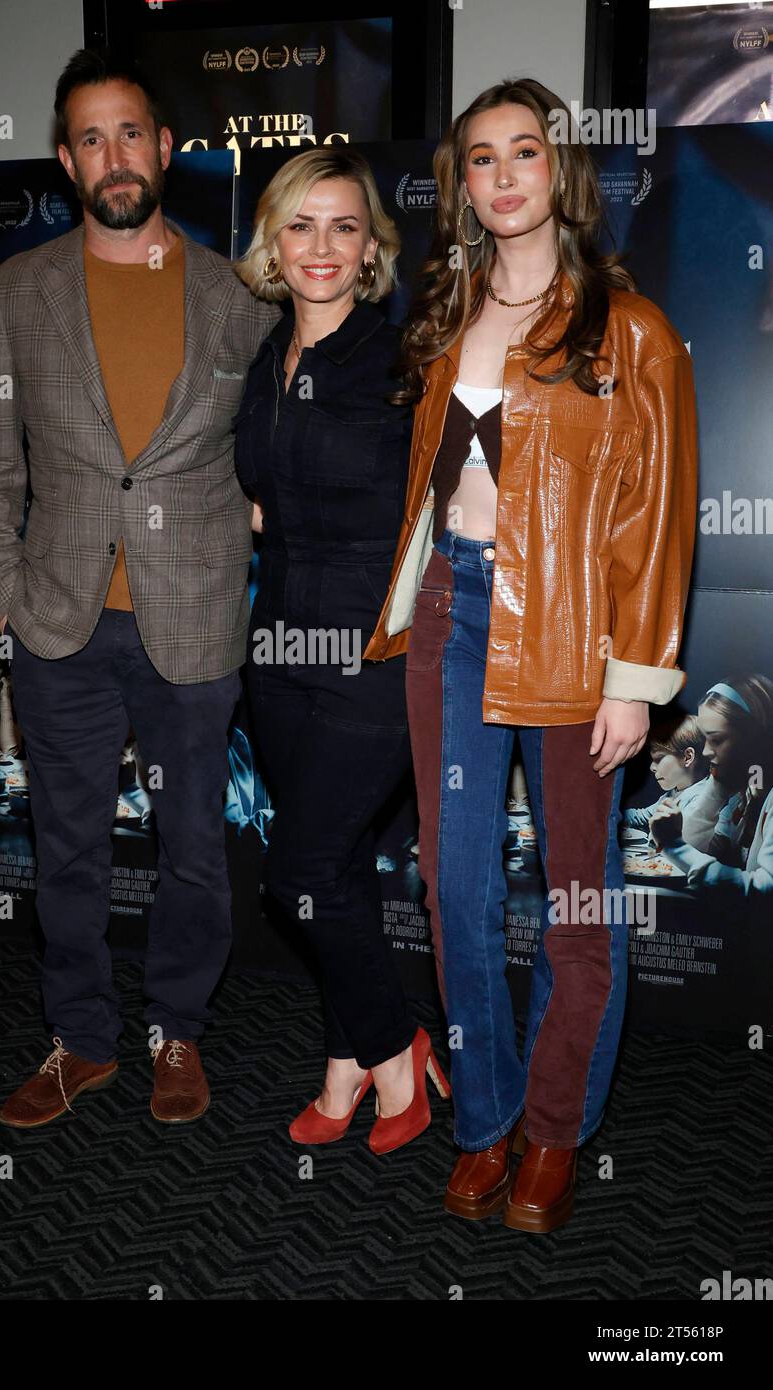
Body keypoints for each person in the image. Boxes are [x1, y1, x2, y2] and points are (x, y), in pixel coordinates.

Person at [365, 78, 698, 1230]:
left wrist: (635, 680)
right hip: (452, 618)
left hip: (569, 631)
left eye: (521, 152)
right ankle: (483, 1120)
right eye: (477, 158)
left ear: (557, 171)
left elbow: (655, 514)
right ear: (459, 185)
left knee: (571, 903)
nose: (500, 175)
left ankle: (553, 1132)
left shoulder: (629, 329)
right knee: (452, 893)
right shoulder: (446, 310)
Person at [0, 47, 281, 1129]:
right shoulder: (18, 290)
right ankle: (82, 1040)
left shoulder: (237, 293)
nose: (114, 154)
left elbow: (271, 442)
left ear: (166, 145)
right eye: (90, 137)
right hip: (56, 618)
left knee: (193, 847)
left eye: (130, 131)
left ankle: (176, 1031)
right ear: (64, 159)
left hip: (191, 618)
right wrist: (2, 595)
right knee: (68, 851)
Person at [233, 148, 447, 1154]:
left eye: (343, 227)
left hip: (377, 655)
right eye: (299, 225)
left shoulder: (408, 361)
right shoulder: (261, 358)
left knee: (298, 869)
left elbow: (460, 508)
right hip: (274, 647)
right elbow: (260, 507)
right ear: (273, 243)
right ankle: (344, 1063)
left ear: (371, 249)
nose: (321, 246)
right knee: (338, 870)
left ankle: (396, 1039)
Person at [650, 675, 773, 902]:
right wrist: (716, 790)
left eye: (716, 740)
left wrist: (675, 846)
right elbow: (698, 854)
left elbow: (763, 894)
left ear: (753, 739)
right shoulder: (743, 793)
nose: (705, 752)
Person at [621, 713, 708, 836]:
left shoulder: (703, 801)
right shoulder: (673, 794)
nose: (652, 768)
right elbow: (640, 817)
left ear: (688, 757)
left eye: (659, 759)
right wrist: (612, 812)